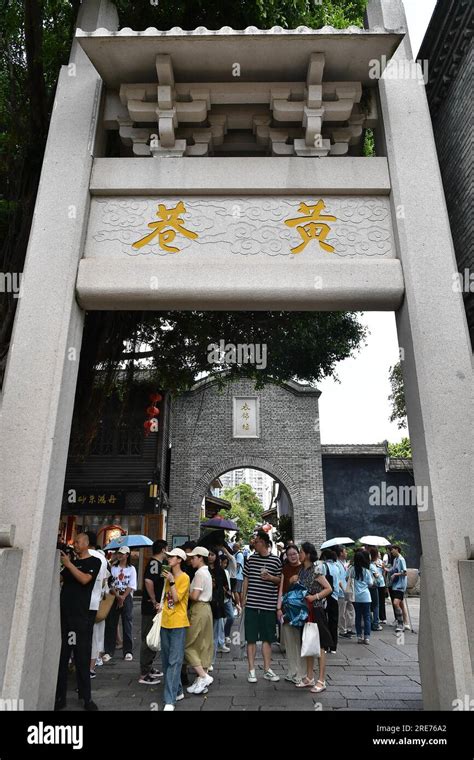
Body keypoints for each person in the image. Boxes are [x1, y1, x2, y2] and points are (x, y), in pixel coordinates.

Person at [55, 533, 102, 711]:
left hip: (81, 617)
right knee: (63, 657)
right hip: (65, 616)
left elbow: (84, 580)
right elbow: (59, 578)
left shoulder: (94, 562)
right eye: (74, 542)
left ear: (87, 544)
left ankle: (86, 698)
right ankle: (60, 697)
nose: (75, 544)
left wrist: (69, 565)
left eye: (78, 542)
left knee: (82, 657)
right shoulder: (71, 563)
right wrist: (61, 564)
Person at [242, 529, 282, 684]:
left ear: (264, 543)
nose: (254, 543)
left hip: (268, 605)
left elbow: (279, 580)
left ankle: (267, 669)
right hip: (252, 604)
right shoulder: (251, 559)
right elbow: (246, 579)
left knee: (267, 638)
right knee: (251, 638)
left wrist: (270, 577)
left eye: (257, 541)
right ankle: (251, 670)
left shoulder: (276, 560)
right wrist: (243, 597)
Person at [295, 542, 333, 693]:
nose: (299, 554)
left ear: (308, 554)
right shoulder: (301, 570)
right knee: (308, 642)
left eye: (301, 552)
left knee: (320, 645)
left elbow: (328, 588)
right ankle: (309, 677)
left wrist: (315, 597)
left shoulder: (316, 569)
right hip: (305, 611)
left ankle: (321, 680)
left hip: (316, 610)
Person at [159, 547, 190, 711]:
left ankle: (169, 700)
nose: (169, 558)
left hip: (178, 622)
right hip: (165, 621)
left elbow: (177, 598)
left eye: (172, 556)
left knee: (174, 661)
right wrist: (160, 605)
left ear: (179, 560)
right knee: (166, 660)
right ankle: (177, 690)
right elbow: (167, 598)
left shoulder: (184, 577)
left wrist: (171, 581)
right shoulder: (167, 576)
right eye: (168, 556)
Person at [184, 547, 214, 695]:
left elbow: (195, 596)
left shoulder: (199, 573)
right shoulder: (206, 572)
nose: (191, 560)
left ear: (200, 557)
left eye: (193, 557)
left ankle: (203, 676)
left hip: (199, 609)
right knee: (204, 644)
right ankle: (201, 679)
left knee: (187, 645)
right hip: (206, 609)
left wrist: (184, 591)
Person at [139, 539, 167, 684]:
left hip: (154, 606)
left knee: (153, 636)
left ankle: (148, 666)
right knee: (148, 638)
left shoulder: (158, 564)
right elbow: (149, 581)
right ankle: (144, 673)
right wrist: (154, 600)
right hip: (150, 607)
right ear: (163, 549)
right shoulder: (154, 564)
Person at [103, 546, 137, 662]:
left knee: (127, 623)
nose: (120, 556)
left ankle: (128, 651)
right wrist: (117, 596)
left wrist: (123, 597)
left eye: (122, 554)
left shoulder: (131, 569)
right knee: (111, 623)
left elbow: (132, 585)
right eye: (119, 553)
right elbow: (110, 583)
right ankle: (109, 651)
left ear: (127, 555)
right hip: (114, 596)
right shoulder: (113, 568)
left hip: (126, 596)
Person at [277, 543, 304, 684]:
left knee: (300, 641)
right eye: (289, 554)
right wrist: (278, 608)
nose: (292, 556)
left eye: (294, 553)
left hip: (301, 610)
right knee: (289, 641)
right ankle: (292, 670)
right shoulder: (285, 569)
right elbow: (281, 590)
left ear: (299, 554)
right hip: (287, 608)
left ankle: (301, 672)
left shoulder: (304, 568)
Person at [86, 546, 109, 678]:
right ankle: (92, 666)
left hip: (84, 604)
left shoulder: (87, 557)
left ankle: (86, 666)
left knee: (87, 636)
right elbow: (104, 583)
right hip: (96, 602)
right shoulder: (103, 559)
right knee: (95, 635)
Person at [209, 549, 230, 665]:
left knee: (215, 633)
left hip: (217, 603)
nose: (210, 557)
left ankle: (211, 659)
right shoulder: (203, 569)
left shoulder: (220, 570)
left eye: (212, 554)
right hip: (205, 603)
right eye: (208, 554)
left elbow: (226, 586)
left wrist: (217, 586)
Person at [349, 550, 374, 644]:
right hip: (366, 597)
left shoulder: (352, 569)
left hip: (356, 597)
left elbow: (347, 578)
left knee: (358, 617)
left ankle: (359, 637)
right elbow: (370, 583)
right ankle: (367, 638)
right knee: (367, 617)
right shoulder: (366, 571)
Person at [319, 549, 340, 653]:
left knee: (324, 622)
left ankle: (326, 645)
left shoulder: (324, 566)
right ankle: (333, 647)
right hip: (335, 597)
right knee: (334, 622)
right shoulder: (337, 567)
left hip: (325, 597)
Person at [334, 545, 355, 638]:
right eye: (345, 551)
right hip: (341, 592)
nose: (346, 553)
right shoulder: (336, 564)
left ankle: (349, 628)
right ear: (340, 553)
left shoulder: (345, 563)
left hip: (347, 590)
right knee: (342, 612)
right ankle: (342, 630)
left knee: (350, 610)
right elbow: (338, 580)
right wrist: (343, 589)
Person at [388, 545, 408, 632]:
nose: (391, 552)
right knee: (400, 604)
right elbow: (393, 569)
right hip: (395, 585)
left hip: (400, 585)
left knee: (396, 603)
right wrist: (385, 568)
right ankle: (404, 623)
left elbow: (405, 572)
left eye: (392, 550)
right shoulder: (395, 559)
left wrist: (395, 574)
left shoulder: (401, 559)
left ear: (397, 549)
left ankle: (400, 623)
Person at [221, 555, 236, 645]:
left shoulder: (226, 572)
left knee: (231, 617)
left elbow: (228, 585)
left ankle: (226, 635)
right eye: (223, 563)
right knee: (221, 621)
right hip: (220, 599)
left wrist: (231, 594)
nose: (224, 565)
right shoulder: (217, 572)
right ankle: (223, 637)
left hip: (227, 598)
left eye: (226, 563)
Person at [369, 547, 385, 631]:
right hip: (373, 587)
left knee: (369, 605)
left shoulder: (368, 564)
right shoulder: (372, 565)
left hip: (368, 587)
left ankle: (370, 622)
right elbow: (376, 576)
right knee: (375, 606)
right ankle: (375, 623)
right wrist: (379, 575)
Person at [233, 542, 245, 612]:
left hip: (238, 576)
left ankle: (238, 606)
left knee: (235, 591)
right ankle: (241, 606)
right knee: (239, 591)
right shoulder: (236, 554)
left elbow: (237, 565)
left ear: (238, 547)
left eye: (234, 547)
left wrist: (233, 573)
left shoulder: (239, 554)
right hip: (238, 576)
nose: (233, 548)